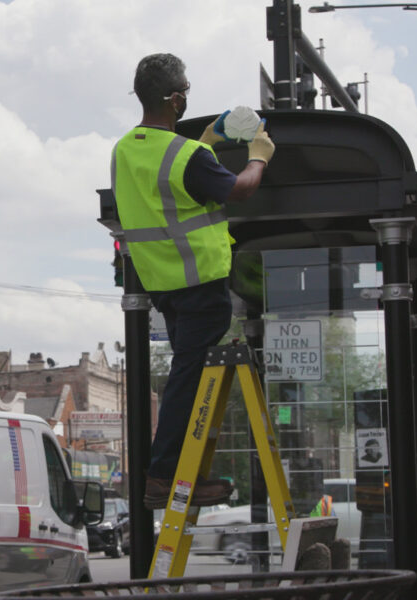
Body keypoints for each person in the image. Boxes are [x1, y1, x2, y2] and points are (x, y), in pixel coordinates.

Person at [111, 53, 274, 509]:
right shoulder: (188, 156)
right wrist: (258, 157)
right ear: (178, 98)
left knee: (186, 373)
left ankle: (180, 471)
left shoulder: (125, 149)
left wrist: (205, 140)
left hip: (162, 284)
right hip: (200, 283)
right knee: (187, 375)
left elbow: (167, 187)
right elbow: (239, 189)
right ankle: (165, 474)